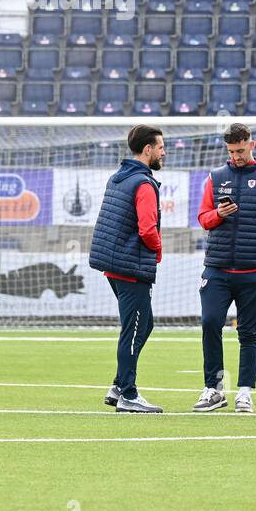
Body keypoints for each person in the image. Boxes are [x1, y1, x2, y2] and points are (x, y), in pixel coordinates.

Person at [192, 123, 256, 413]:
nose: (237, 156)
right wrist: (218, 214)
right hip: (217, 268)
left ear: (252, 144)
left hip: (253, 271)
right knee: (210, 323)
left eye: (241, 150)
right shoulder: (216, 177)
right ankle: (214, 389)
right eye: (232, 151)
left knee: (248, 332)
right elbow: (203, 219)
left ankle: (245, 392)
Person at [91, 125, 166, 413]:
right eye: (160, 147)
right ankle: (129, 394)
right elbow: (147, 229)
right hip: (131, 265)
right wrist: (157, 249)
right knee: (133, 331)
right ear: (147, 150)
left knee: (144, 325)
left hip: (114, 263)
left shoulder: (118, 178)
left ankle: (118, 385)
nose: (163, 152)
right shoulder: (144, 184)